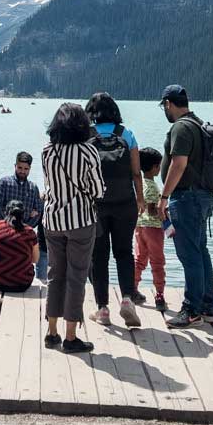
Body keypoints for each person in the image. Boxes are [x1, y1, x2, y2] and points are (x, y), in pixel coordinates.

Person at [41, 102, 104, 354]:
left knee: (55, 273)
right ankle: (70, 337)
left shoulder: (47, 151)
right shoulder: (88, 152)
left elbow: (48, 185)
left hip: (52, 221)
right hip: (80, 221)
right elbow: (98, 189)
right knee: (76, 276)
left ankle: (51, 332)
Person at [84, 92, 146, 327]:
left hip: (96, 205)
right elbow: (136, 172)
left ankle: (102, 309)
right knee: (124, 252)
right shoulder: (126, 134)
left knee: (99, 255)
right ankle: (127, 299)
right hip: (125, 203)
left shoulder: (88, 135)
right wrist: (140, 199)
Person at [158, 84, 213, 329]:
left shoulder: (181, 127)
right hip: (203, 197)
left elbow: (178, 164)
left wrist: (164, 196)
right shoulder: (199, 124)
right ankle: (208, 305)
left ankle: (191, 309)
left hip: (186, 198)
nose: (165, 110)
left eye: (164, 106)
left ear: (169, 104)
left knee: (189, 254)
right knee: (200, 251)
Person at [0, 152, 46, 280]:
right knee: (0, 263)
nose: (22, 171)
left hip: (24, 234)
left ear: (30, 169)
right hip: (3, 232)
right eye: (20, 168)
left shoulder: (33, 188)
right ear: (15, 166)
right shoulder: (4, 183)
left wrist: (24, 227)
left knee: (23, 265)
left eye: (26, 169)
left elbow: (38, 212)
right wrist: (9, 225)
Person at [133, 147, 167, 311]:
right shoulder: (153, 186)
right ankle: (159, 294)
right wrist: (164, 213)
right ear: (155, 168)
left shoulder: (138, 184)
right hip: (153, 229)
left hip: (139, 227)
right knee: (157, 262)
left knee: (140, 260)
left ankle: (132, 289)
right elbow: (153, 210)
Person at [0, 200, 39, 293]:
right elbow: (35, 260)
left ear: (6, 212)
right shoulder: (29, 232)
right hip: (22, 283)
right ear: (23, 214)